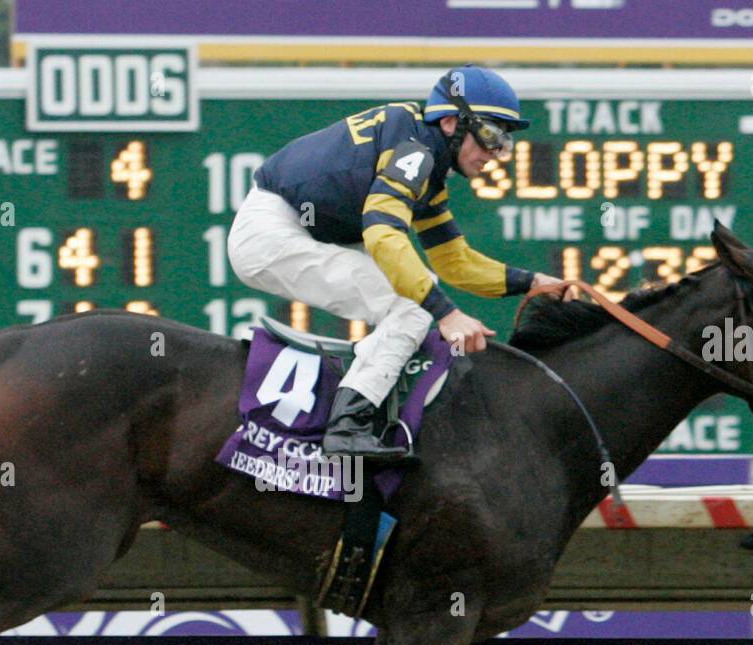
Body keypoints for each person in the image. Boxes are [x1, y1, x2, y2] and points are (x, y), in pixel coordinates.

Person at [227, 64, 576, 463]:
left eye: (505, 141)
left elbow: (454, 262)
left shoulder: (424, 155)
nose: (496, 153)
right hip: (273, 233)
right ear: (450, 122)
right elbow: (382, 234)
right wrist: (446, 315)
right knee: (411, 304)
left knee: (414, 293)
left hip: (289, 228)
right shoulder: (415, 151)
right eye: (492, 136)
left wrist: (531, 282)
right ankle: (347, 427)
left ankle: (350, 411)